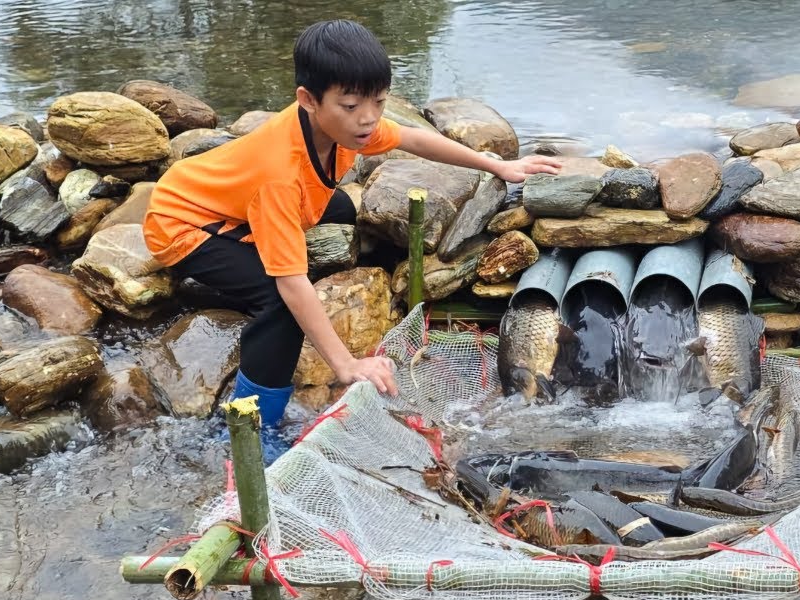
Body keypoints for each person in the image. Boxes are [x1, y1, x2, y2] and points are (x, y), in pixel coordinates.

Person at [143, 19, 562, 461]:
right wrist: (346, 364)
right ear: (308, 100)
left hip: (231, 202)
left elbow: (413, 138)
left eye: (378, 101)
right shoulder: (279, 177)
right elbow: (292, 284)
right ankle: (252, 428)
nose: (368, 118)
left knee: (343, 208)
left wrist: (496, 166)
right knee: (278, 304)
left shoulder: (344, 126)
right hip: (183, 223)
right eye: (350, 105)